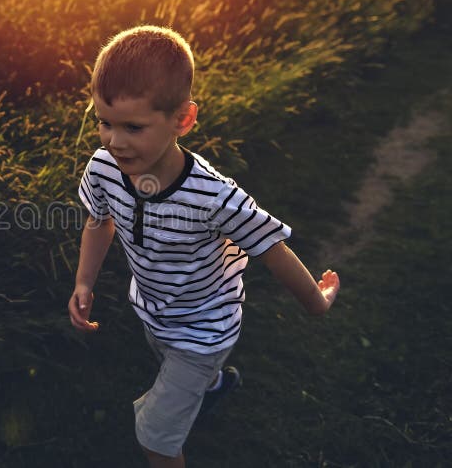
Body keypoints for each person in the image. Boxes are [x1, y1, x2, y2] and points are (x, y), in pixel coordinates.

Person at [67, 25, 340, 468]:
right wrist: (83, 282)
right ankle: (213, 388)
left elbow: (272, 249)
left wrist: (316, 302)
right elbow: (100, 222)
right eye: (104, 122)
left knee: (155, 434)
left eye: (133, 127)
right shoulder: (104, 168)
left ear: (183, 120)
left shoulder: (215, 198)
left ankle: (195, 390)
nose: (114, 141)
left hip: (205, 329)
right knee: (174, 366)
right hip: (154, 313)